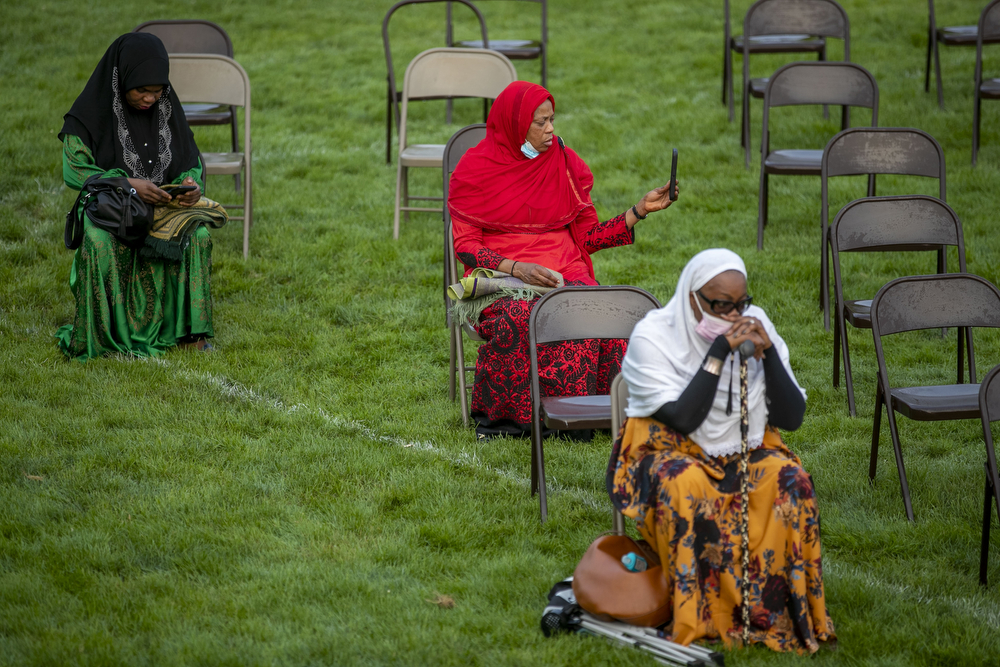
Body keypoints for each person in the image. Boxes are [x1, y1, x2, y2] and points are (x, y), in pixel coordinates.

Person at [607, 249, 834, 653]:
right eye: (720, 305)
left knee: (789, 480)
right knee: (687, 483)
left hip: (743, 444)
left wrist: (769, 358)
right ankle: (701, 615)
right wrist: (717, 355)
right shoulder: (654, 336)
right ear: (692, 297)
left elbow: (792, 416)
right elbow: (682, 417)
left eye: (740, 304)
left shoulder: (756, 323)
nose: (732, 315)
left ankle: (777, 611)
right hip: (666, 447)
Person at [448, 81, 677, 439]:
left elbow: (589, 238)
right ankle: (515, 422)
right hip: (504, 278)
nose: (550, 129)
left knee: (597, 312)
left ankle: (586, 416)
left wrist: (638, 211)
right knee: (519, 317)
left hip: (564, 271)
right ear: (515, 125)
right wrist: (516, 268)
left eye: (551, 119)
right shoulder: (475, 169)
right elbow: (465, 245)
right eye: (540, 122)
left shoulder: (563, 163)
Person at [57, 33, 219, 361]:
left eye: (157, 92)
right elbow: (75, 169)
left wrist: (190, 183)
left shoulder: (166, 108)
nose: (149, 99)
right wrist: (128, 184)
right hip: (114, 209)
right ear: (121, 80)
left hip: (161, 208)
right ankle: (103, 336)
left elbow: (190, 160)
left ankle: (190, 333)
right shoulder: (88, 115)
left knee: (197, 234)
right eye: (141, 90)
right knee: (99, 239)